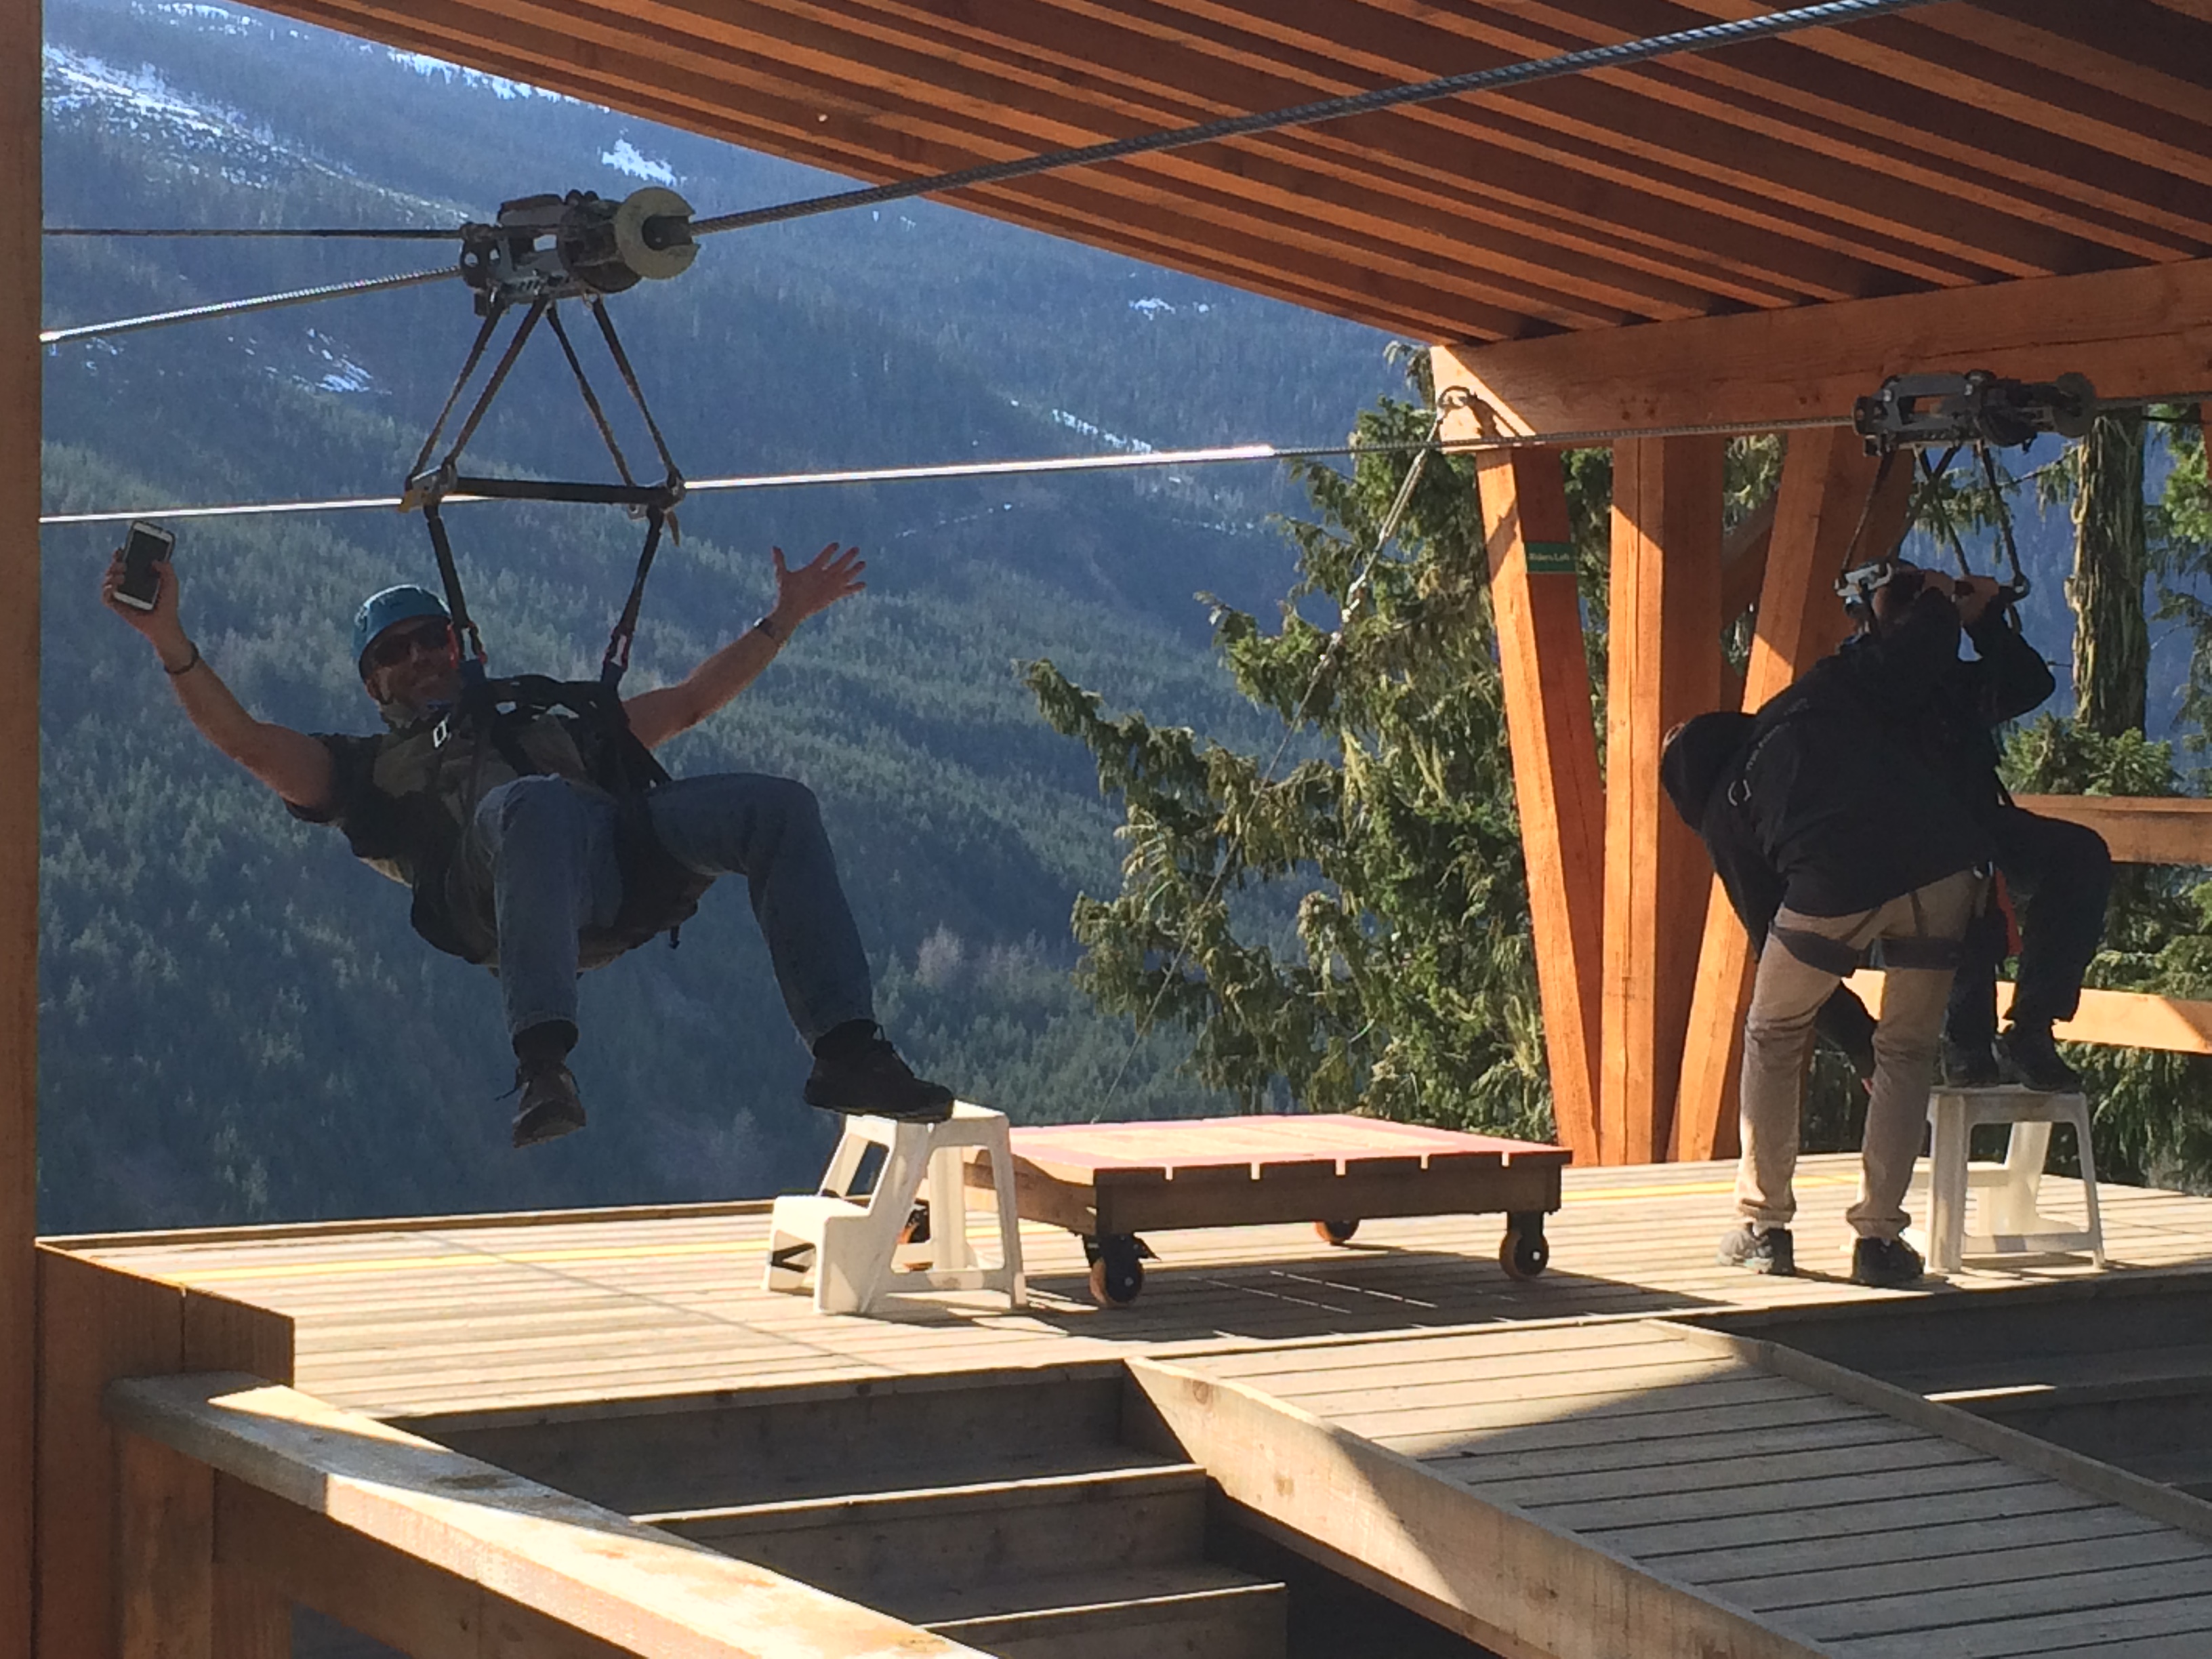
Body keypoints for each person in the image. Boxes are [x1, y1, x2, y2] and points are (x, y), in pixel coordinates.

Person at [104, 541, 956, 1149]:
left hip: (612, 865)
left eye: (432, 640)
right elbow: (249, 743)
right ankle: (543, 1066)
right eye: (395, 655)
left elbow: (691, 701)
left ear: (461, 645)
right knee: (533, 806)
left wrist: (784, 617)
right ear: (374, 687)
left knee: (778, 808)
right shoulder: (363, 771)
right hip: (495, 892)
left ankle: (847, 1050)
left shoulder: (556, 721)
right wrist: (167, 639)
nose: (421, 659)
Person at [1666, 569, 1993, 1286]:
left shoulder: (1726, 809)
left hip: (1834, 880)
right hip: (1942, 866)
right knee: (1908, 1048)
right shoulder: (1812, 697)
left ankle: (1764, 1224)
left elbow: (1773, 940)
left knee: (1774, 1029)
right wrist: (1936, 597)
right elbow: (1919, 654)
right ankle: (1878, 1242)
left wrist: (1852, 1046)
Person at [1847, 565, 2110, 1094]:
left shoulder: (1945, 683)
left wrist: (1983, 623)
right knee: (1963, 876)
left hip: (1970, 822)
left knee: (2077, 855)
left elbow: (2030, 683)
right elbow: (1891, 676)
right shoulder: (1859, 676)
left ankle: (2032, 1025)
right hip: (1898, 841)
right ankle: (1965, 1039)